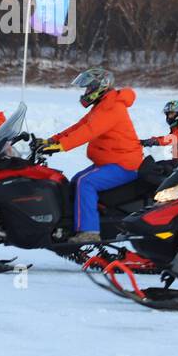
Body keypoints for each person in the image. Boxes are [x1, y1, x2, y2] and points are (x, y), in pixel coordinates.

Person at [37, 68, 143, 243]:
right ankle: (71, 224)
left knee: (85, 182)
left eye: (88, 88)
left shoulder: (112, 107)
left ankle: (90, 231)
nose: (86, 93)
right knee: (72, 182)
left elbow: (88, 131)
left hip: (124, 164)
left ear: (99, 87)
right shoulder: (104, 104)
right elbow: (80, 126)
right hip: (110, 161)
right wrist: (51, 140)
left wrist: (61, 146)